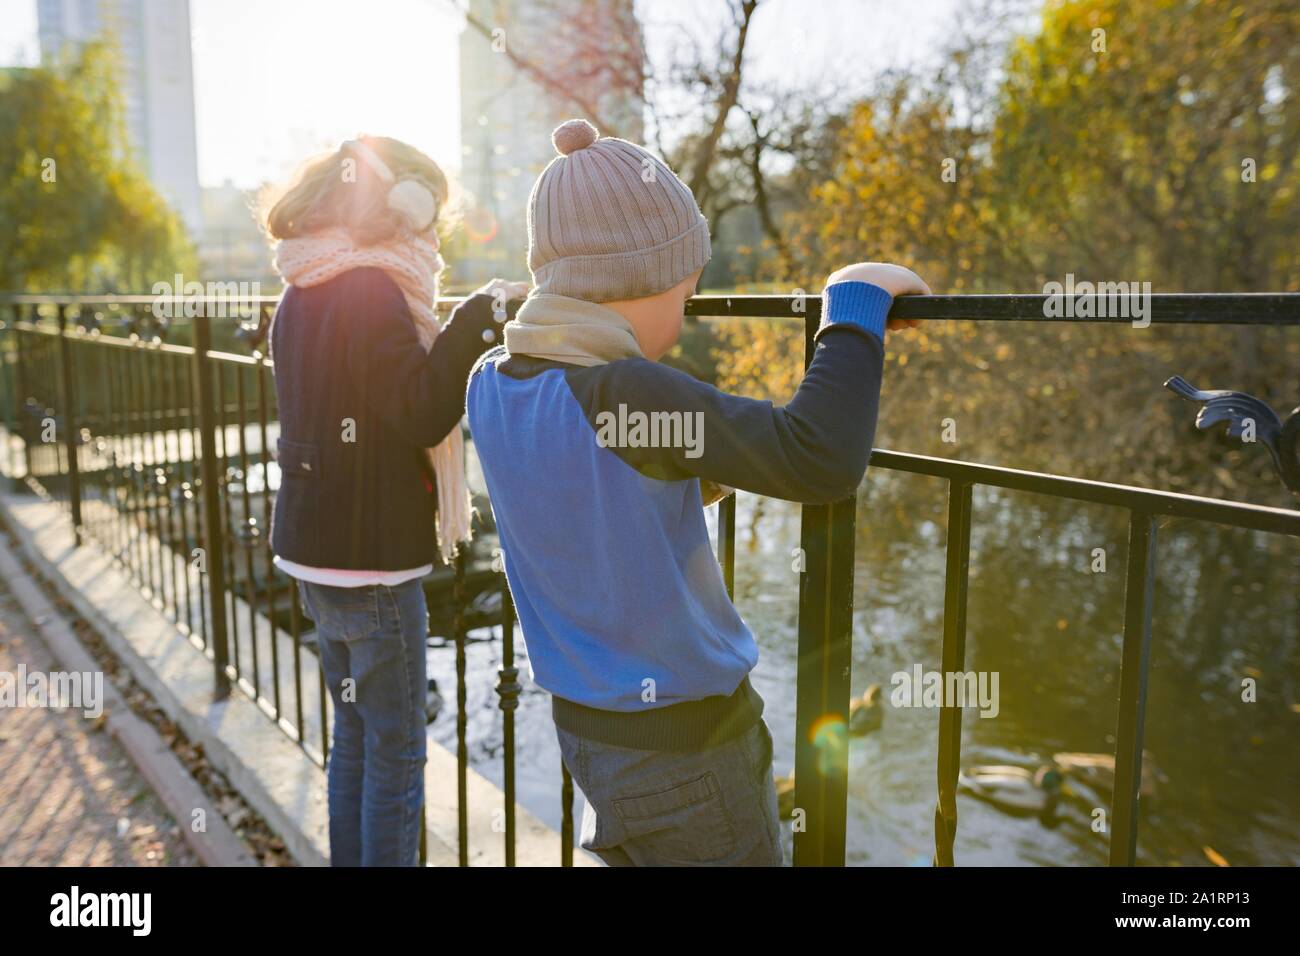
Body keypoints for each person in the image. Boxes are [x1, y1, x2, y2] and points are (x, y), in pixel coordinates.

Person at [466, 119, 929, 866]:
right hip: (690, 756)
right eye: (685, 293)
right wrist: (853, 307)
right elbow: (818, 461)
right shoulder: (626, 393)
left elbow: (588, 495)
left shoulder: (491, 383)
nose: (684, 321)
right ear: (637, 282)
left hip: (590, 736)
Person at [263, 135, 525, 866]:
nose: (430, 231)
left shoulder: (302, 284)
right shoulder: (371, 288)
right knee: (400, 752)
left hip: (315, 557)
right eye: (427, 212)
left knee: (355, 740)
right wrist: (476, 319)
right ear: (399, 207)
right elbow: (419, 413)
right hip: (372, 564)